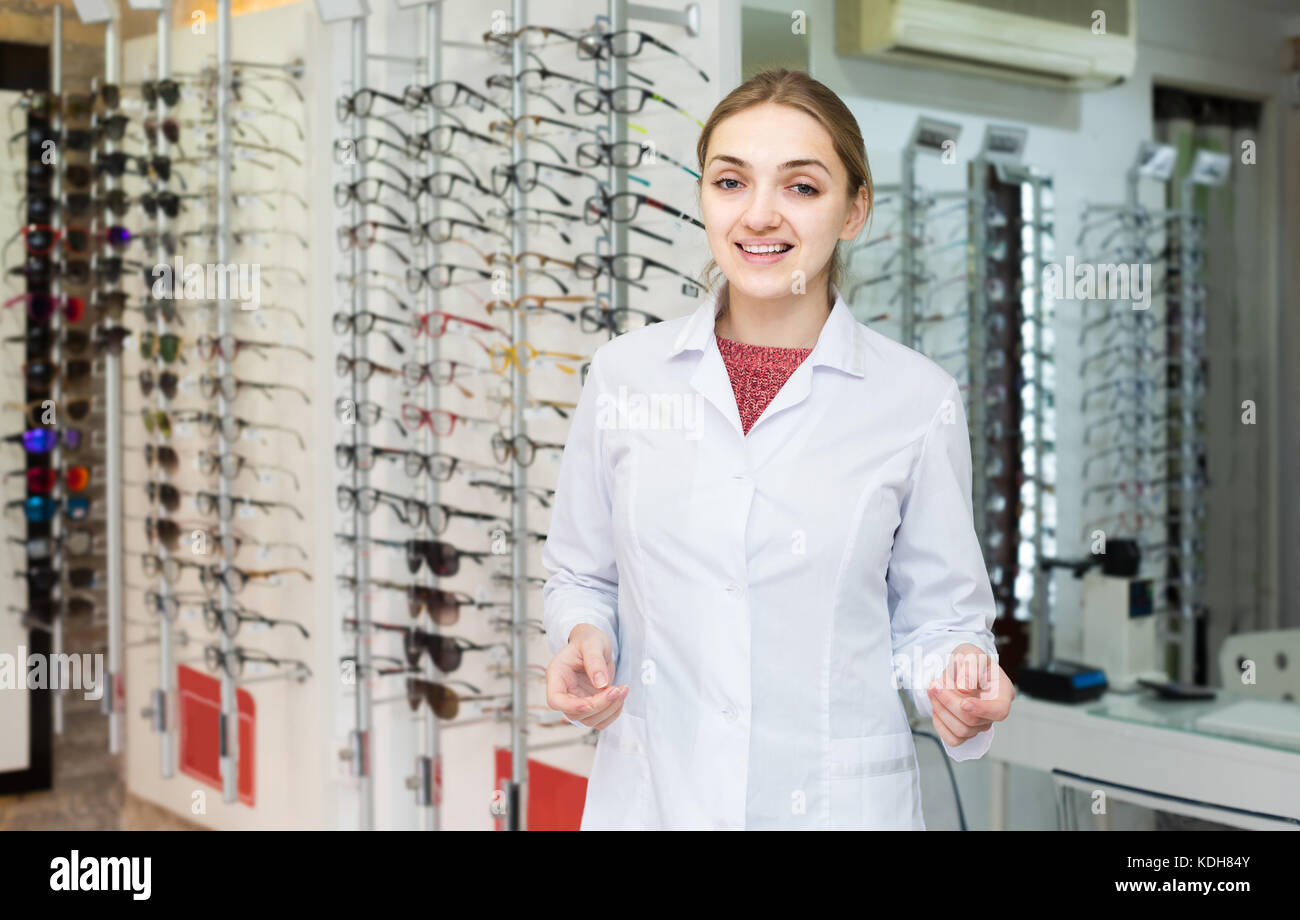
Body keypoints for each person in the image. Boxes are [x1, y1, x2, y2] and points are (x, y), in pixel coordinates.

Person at [541, 69, 1014, 830]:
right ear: (703, 196)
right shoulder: (625, 375)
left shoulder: (915, 399)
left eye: (801, 187)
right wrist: (580, 636)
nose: (759, 216)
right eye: (731, 181)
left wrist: (960, 683)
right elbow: (578, 573)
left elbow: (939, 621)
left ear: (854, 209)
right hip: (656, 796)